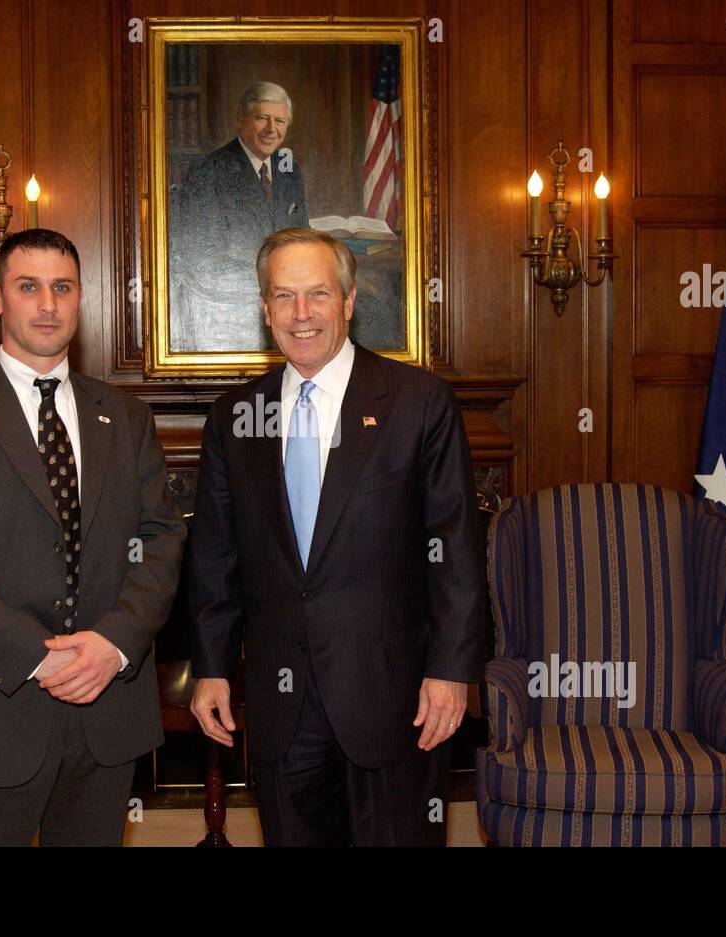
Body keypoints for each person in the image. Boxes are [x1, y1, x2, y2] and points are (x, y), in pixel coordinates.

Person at [0, 228, 186, 846]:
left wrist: (114, 642)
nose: (47, 304)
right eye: (29, 287)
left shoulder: (125, 418)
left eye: (63, 288)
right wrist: (37, 655)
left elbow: (160, 540)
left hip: (107, 707)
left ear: (81, 299)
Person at [187, 227, 485, 846]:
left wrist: (451, 671)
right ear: (265, 309)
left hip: (396, 700)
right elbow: (216, 558)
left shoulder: (418, 401)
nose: (302, 314)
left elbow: (454, 550)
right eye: (284, 296)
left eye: (318, 294)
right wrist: (212, 670)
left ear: (348, 302)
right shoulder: (234, 417)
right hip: (280, 703)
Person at [171, 81, 309, 351]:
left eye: (280, 121)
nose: (272, 130)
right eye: (262, 118)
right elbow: (202, 260)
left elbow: (302, 238)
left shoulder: (288, 168)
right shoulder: (207, 172)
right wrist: (275, 286)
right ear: (240, 119)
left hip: (286, 309)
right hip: (226, 312)